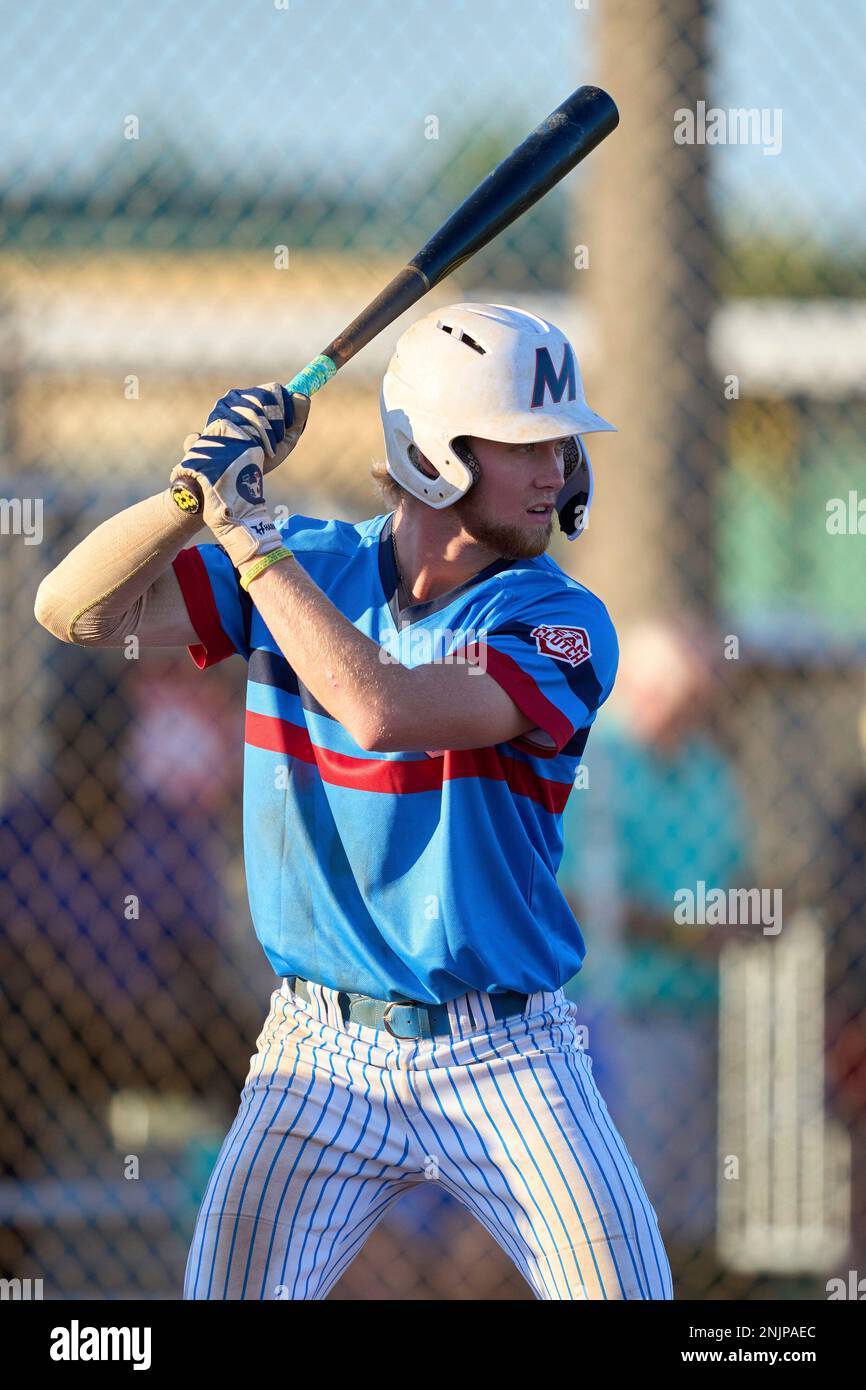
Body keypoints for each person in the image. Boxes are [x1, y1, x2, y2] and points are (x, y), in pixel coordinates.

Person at [35, 301, 672, 1301]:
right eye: (521, 443)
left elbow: (380, 708)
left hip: (501, 1048)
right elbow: (71, 610)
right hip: (317, 1052)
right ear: (430, 455)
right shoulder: (309, 561)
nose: (553, 467)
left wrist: (249, 537)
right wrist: (189, 490)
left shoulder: (556, 617)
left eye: (559, 441)